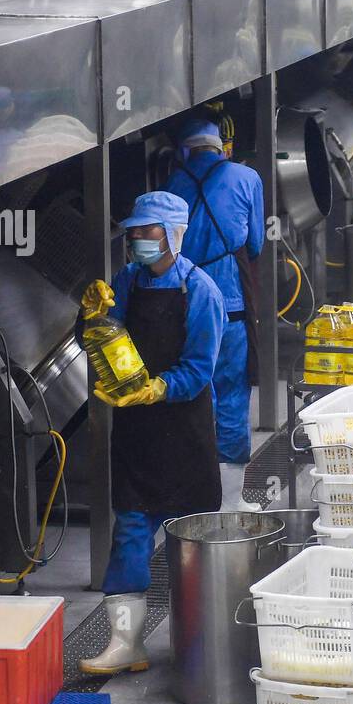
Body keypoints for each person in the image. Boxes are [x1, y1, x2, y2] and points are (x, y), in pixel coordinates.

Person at [78, 191, 227, 675]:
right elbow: (112, 344)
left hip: (185, 432)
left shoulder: (201, 291)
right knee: (130, 532)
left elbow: (200, 369)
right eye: (135, 229)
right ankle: (126, 643)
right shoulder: (127, 281)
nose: (137, 237)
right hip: (137, 433)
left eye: (148, 229)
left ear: (174, 234)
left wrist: (158, 388)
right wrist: (96, 321)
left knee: (194, 542)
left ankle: (203, 640)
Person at [163, 119, 265, 466]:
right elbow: (255, 243)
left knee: (192, 391)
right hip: (232, 303)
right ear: (221, 146)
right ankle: (231, 487)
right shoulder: (247, 178)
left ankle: (196, 478)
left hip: (185, 303)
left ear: (185, 150)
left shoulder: (174, 182)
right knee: (233, 393)